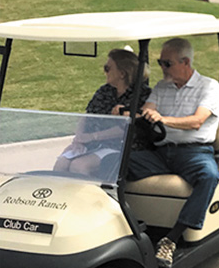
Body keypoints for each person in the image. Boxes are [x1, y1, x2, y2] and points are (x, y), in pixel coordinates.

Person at [126, 37, 219, 268]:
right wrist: (133, 114)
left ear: (185, 62)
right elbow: (147, 111)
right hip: (161, 153)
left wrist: (163, 119)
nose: (162, 68)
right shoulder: (162, 87)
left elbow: (197, 121)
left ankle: (172, 239)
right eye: (160, 63)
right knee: (118, 162)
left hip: (194, 153)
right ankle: (125, 224)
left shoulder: (209, 86)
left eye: (166, 63)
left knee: (209, 176)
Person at [54, 49, 150, 177]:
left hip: (118, 147)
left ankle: (90, 197)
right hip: (93, 144)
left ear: (122, 73)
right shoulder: (104, 91)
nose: (105, 72)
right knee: (61, 164)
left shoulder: (142, 95)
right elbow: (87, 116)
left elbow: (127, 128)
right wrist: (78, 139)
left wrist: (93, 136)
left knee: (79, 166)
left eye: (108, 68)